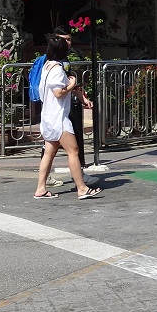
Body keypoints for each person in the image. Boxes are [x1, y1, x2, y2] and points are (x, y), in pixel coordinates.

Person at [33, 33, 101, 200]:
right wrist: (71, 84)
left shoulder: (47, 66)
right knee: (73, 151)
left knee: (49, 152)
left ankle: (41, 189)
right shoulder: (57, 69)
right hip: (59, 118)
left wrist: (72, 88)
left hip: (49, 117)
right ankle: (82, 188)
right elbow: (58, 92)